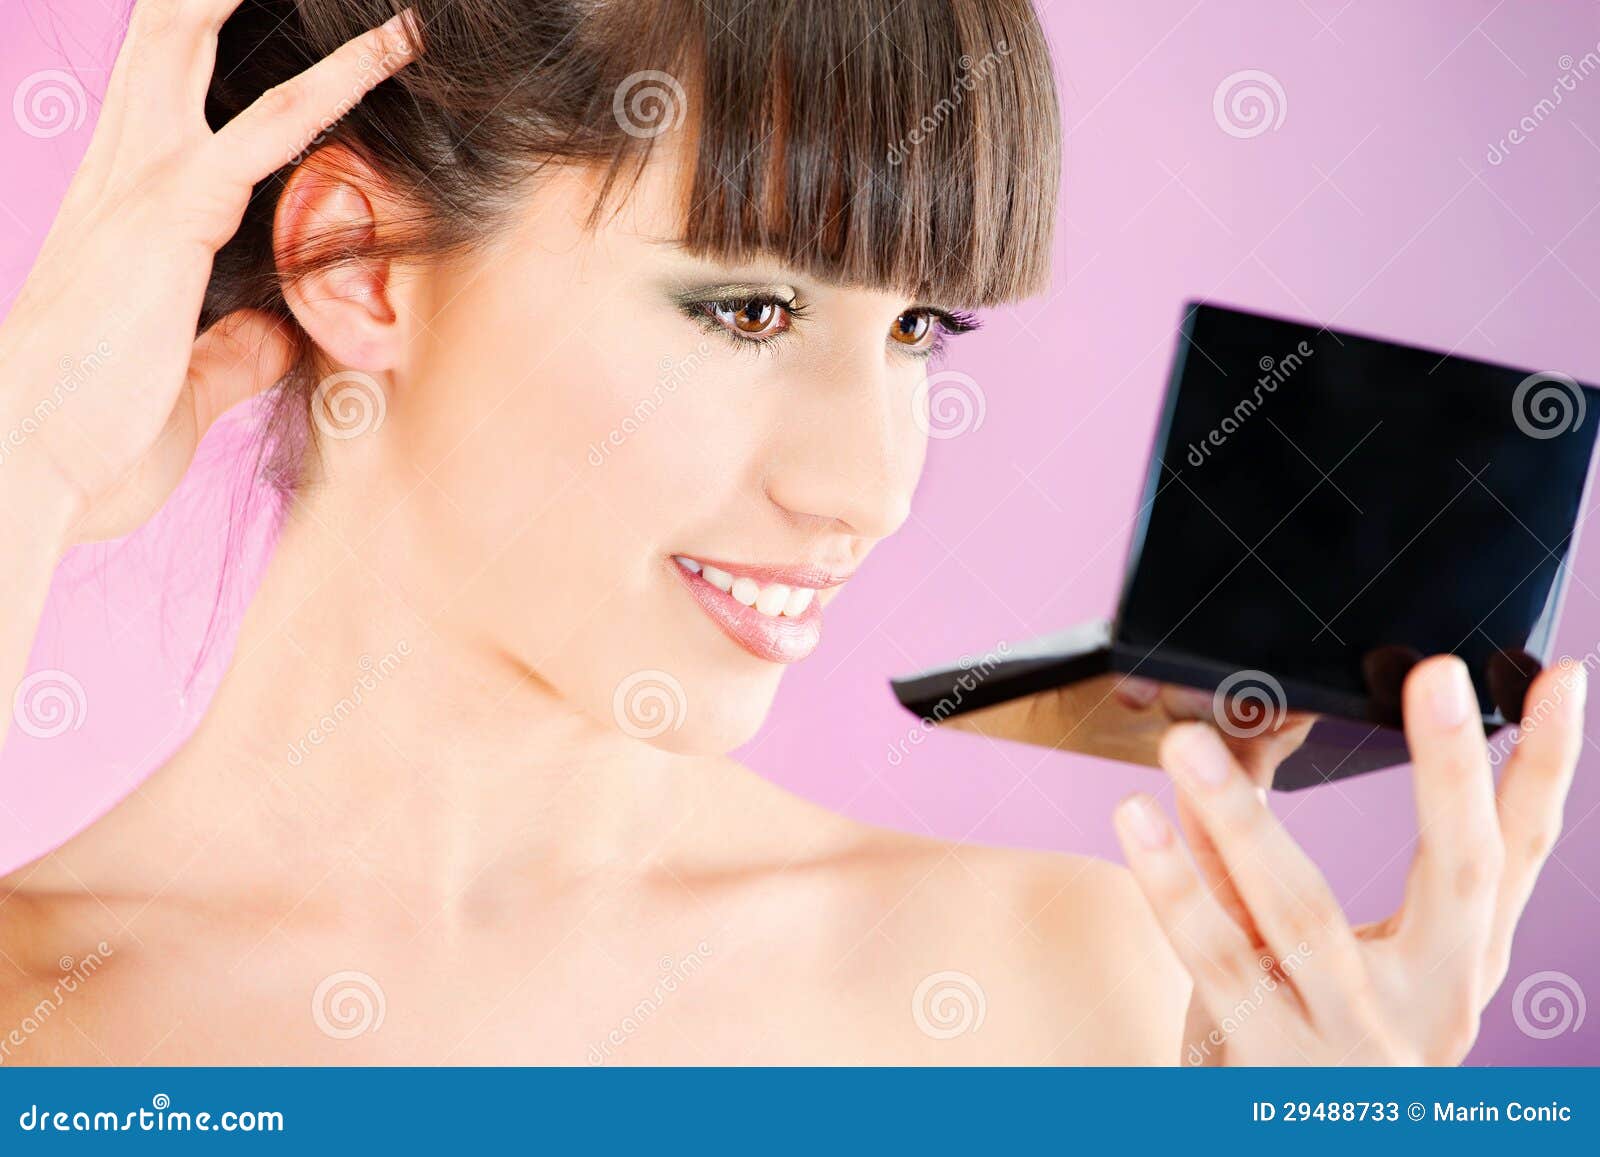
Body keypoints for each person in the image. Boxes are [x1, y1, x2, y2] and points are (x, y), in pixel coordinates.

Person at [0, 0, 1582, 1064]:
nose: (872, 487)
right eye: (747, 306)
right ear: (361, 261)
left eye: (918, 332)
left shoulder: (1088, 989)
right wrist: (27, 454)